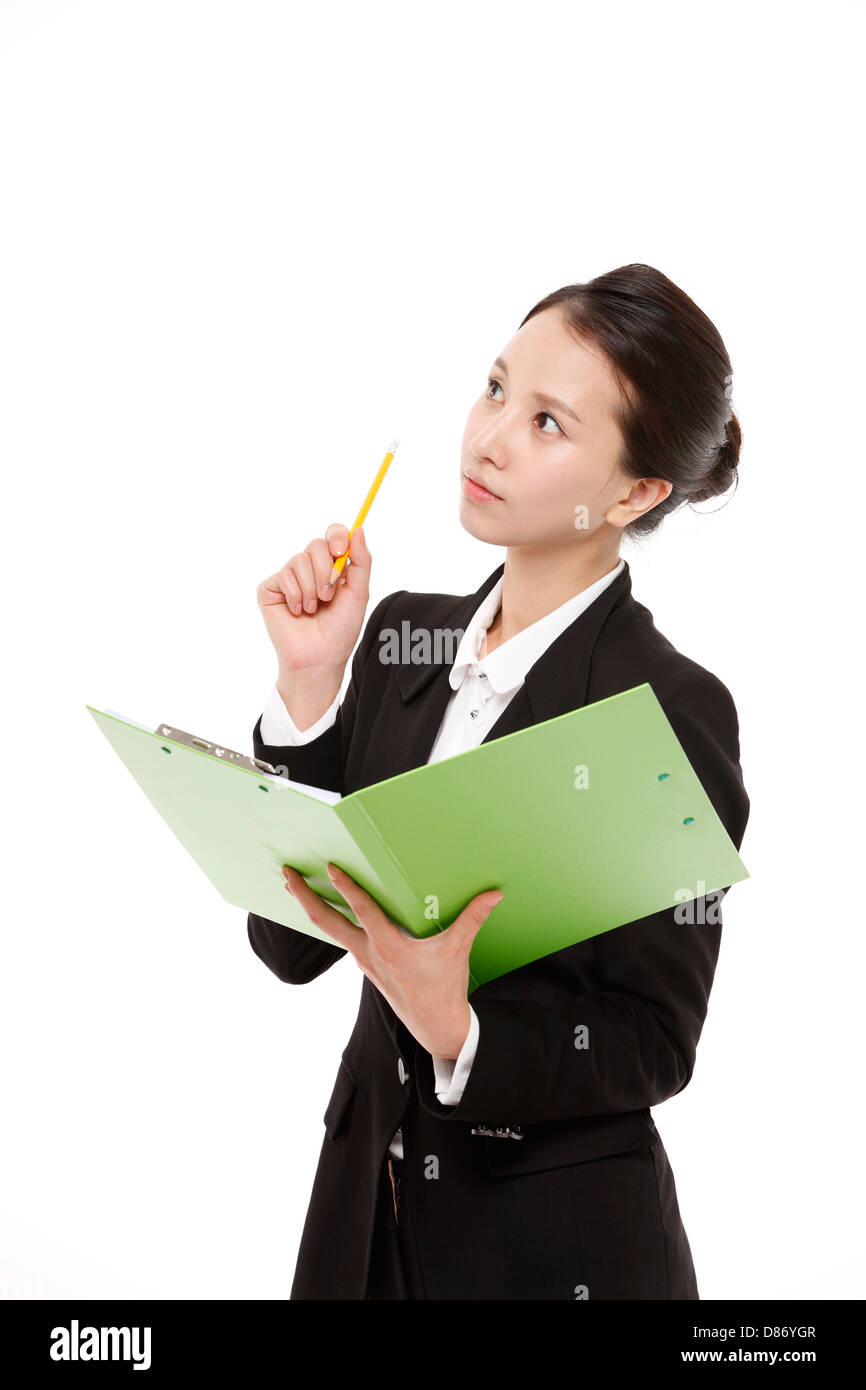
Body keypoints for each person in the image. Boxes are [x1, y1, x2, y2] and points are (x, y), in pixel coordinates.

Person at [247, 263, 750, 1300]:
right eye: (492, 387)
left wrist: (460, 1032)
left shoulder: (665, 713)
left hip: (547, 1251)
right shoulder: (396, 639)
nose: (488, 438)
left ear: (634, 491)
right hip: (359, 1231)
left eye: (547, 423)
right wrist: (307, 691)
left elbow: (654, 1038)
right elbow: (290, 944)